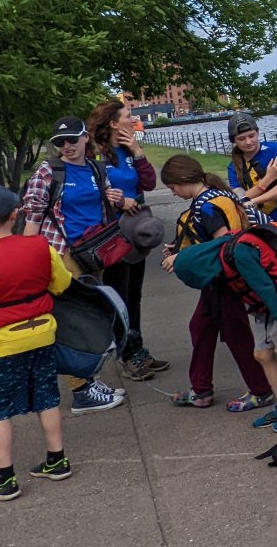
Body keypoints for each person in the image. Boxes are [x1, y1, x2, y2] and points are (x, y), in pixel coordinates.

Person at [170, 220, 277, 435]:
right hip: (264, 307)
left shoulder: (238, 254)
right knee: (262, 354)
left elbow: (264, 286)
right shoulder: (222, 253)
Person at [0, 186, 74, 501]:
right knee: (47, 396)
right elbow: (62, 283)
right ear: (15, 215)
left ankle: (5, 479)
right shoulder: (40, 246)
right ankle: (57, 460)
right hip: (43, 334)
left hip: (3, 344)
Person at [20, 116, 126, 414]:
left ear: (84, 139)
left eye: (72, 140)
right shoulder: (48, 171)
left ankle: (88, 380)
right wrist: (30, 259)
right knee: (71, 321)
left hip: (93, 252)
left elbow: (102, 202)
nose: (67, 146)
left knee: (93, 315)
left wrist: (113, 198)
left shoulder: (94, 168)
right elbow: (33, 216)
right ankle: (80, 390)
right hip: (62, 254)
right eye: (60, 142)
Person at [159, 155, 274, 413]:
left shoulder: (205, 208)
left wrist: (181, 256)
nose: (173, 192)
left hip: (223, 281)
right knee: (201, 327)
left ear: (184, 179)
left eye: (172, 186)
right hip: (222, 279)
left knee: (236, 333)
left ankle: (261, 390)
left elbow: (224, 242)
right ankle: (201, 390)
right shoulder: (217, 196)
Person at [86, 99, 169, 382]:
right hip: (112, 236)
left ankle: (139, 351)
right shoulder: (94, 155)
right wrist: (118, 201)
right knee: (119, 297)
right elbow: (90, 193)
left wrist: (137, 150)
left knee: (134, 295)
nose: (133, 119)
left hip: (134, 233)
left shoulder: (127, 150)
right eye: (128, 115)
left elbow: (148, 184)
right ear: (112, 123)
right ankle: (126, 357)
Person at [226, 112, 277, 233]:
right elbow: (240, 200)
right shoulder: (233, 168)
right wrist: (268, 179)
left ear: (258, 133)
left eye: (251, 136)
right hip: (260, 225)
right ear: (234, 141)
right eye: (241, 139)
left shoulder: (274, 149)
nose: (248, 142)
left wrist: (254, 201)